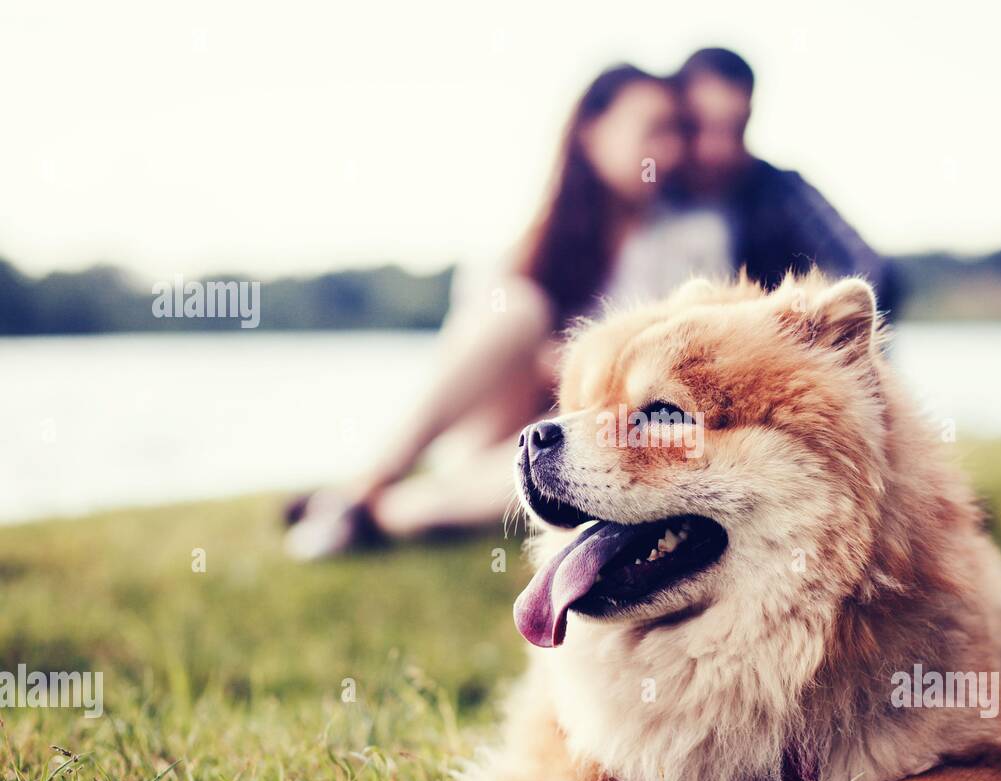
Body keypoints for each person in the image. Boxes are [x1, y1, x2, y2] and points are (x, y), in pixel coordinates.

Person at [285, 64, 731, 559]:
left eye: (676, 133)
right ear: (592, 130)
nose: (667, 152)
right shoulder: (533, 235)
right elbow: (475, 333)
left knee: (559, 441)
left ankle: (372, 511)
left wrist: (569, 377)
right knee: (519, 310)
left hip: (558, 433)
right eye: (653, 130)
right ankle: (373, 478)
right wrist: (560, 360)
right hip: (486, 421)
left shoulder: (695, 240)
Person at [670, 48, 899, 315]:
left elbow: (868, 270)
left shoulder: (781, 190)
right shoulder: (649, 190)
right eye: (697, 127)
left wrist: (789, 325)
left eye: (735, 129)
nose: (717, 148)